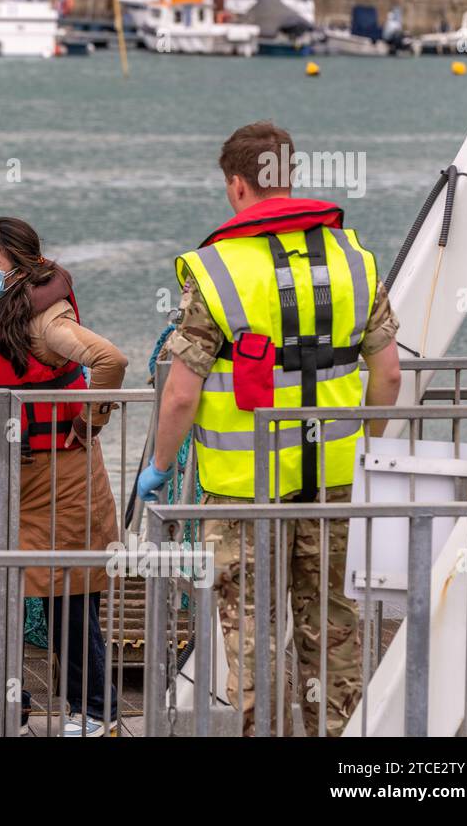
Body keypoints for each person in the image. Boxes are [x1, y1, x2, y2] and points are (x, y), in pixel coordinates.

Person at [138, 121, 402, 737]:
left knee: (250, 640)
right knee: (336, 636)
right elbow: (387, 374)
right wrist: (372, 452)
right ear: (291, 178)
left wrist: (156, 467)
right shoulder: (354, 259)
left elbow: (181, 393)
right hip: (336, 487)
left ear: (236, 186)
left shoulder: (215, 270)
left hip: (242, 494)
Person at [0, 217, 125, 737]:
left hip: (61, 476)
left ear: (22, 269)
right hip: (4, 473)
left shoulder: (46, 320)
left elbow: (110, 358)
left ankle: (96, 710)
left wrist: (90, 419)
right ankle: (2, 706)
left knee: (68, 594)